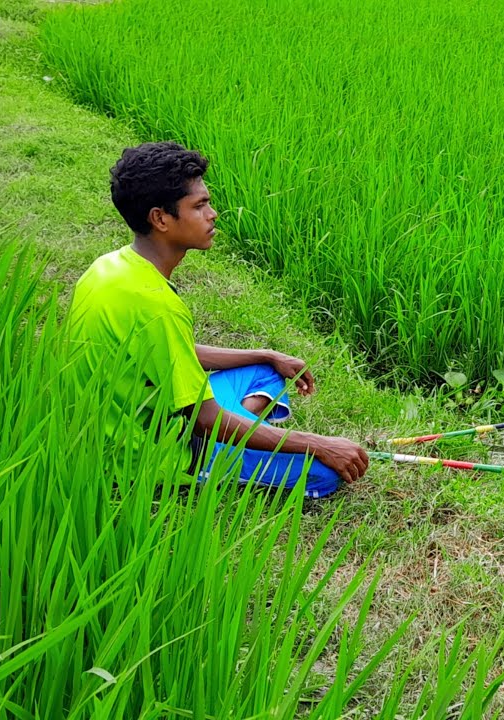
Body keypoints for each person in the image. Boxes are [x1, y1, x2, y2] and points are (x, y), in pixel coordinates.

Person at [65, 141, 368, 496]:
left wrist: (265, 353)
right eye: (200, 205)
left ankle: (245, 428)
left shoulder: (110, 267)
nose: (213, 214)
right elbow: (205, 420)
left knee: (266, 371)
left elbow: (173, 351)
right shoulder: (154, 303)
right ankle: (233, 445)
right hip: (151, 454)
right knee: (324, 474)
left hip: (134, 420)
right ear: (160, 218)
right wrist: (317, 443)